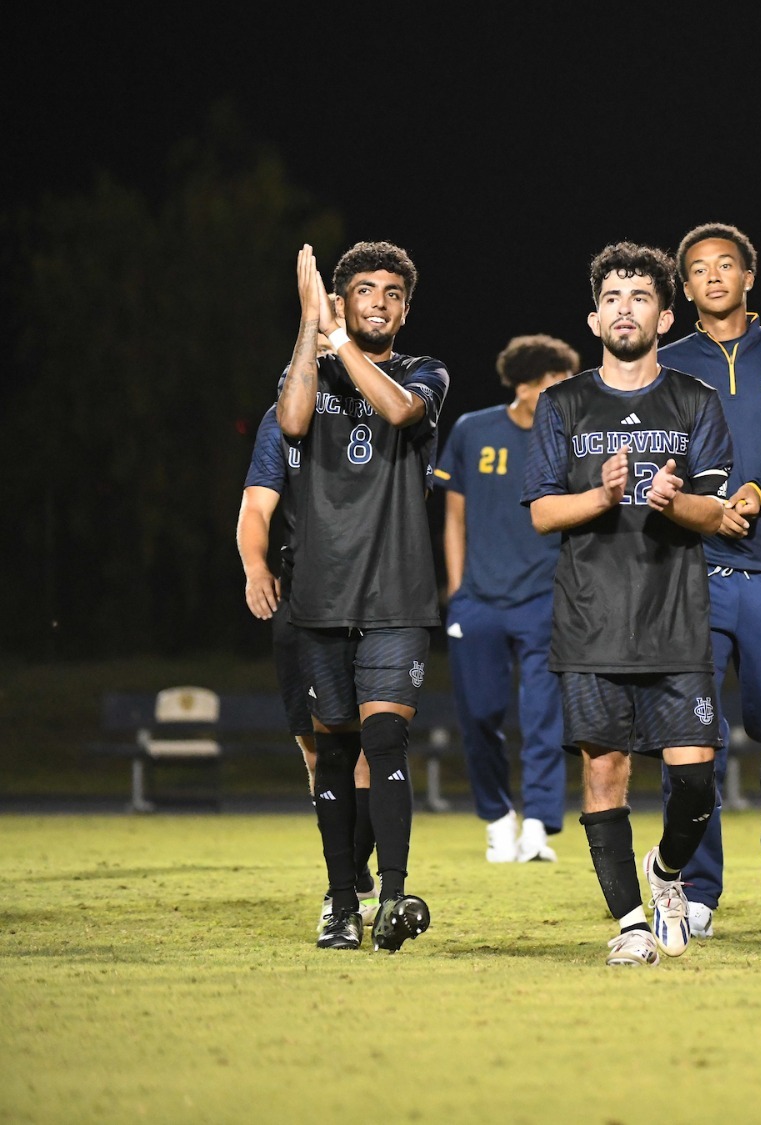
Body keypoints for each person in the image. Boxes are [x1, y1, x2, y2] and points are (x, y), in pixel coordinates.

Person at [522, 242, 736, 967]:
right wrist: (603, 495)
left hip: (676, 619)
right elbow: (543, 512)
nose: (624, 309)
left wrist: (676, 502)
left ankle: (667, 870)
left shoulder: (695, 401)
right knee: (604, 771)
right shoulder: (562, 404)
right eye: (612, 298)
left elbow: (717, 512)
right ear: (593, 318)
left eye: (640, 298)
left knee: (696, 778)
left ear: (664, 316)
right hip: (592, 621)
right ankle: (630, 924)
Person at [278, 241, 447, 953]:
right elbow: (292, 421)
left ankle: (394, 895)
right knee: (335, 750)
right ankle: (342, 902)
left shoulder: (424, 373)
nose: (380, 302)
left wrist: (339, 338)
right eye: (365, 290)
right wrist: (308, 325)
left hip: (398, 593)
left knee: (384, 739)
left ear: (405, 311)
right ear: (342, 300)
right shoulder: (311, 372)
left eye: (393, 294)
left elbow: (400, 411)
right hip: (321, 595)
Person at [658, 223, 761, 937]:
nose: (714, 276)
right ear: (685, 286)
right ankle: (696, 888)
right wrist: (702, 510)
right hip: (689, 572)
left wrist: (755, 494)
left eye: (726, 264)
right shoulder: (666, 365)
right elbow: (652, 463)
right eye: (699, 268)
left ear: (749, 276)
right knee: (692, 739)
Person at [237, 403, 378, 929]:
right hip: (302, 598)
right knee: (317, 751)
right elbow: (256, 504)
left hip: (374, 596)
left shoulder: (393, 401)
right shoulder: (281, 416)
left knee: (369, 743)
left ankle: (347, 883)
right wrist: (255, 567)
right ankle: (351, 873)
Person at [436, 335, 576, 864]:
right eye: (556, 383)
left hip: (544, 600)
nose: (566, 392)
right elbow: (453, 517)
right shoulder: (473, 430)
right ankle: (498, 817)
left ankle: (537, 825)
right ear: (525, 384)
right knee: (479, 715)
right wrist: (457, 592)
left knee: (544, 718)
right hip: (479, 601)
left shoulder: (572, 438)